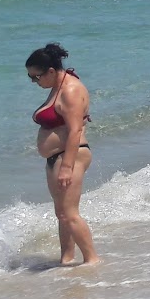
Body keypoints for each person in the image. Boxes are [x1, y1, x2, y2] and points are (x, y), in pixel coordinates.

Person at [26, 42, 98, 266]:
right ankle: (66, 259)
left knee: (69, 213)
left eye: (36, 77)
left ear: (50, 71)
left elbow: (75, 129)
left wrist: (67, 166)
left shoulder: (70, 90)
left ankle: (92, 261)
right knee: (62, 213)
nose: (35, 82)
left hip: (71, 156)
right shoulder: (57, 86)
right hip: (58, 157)